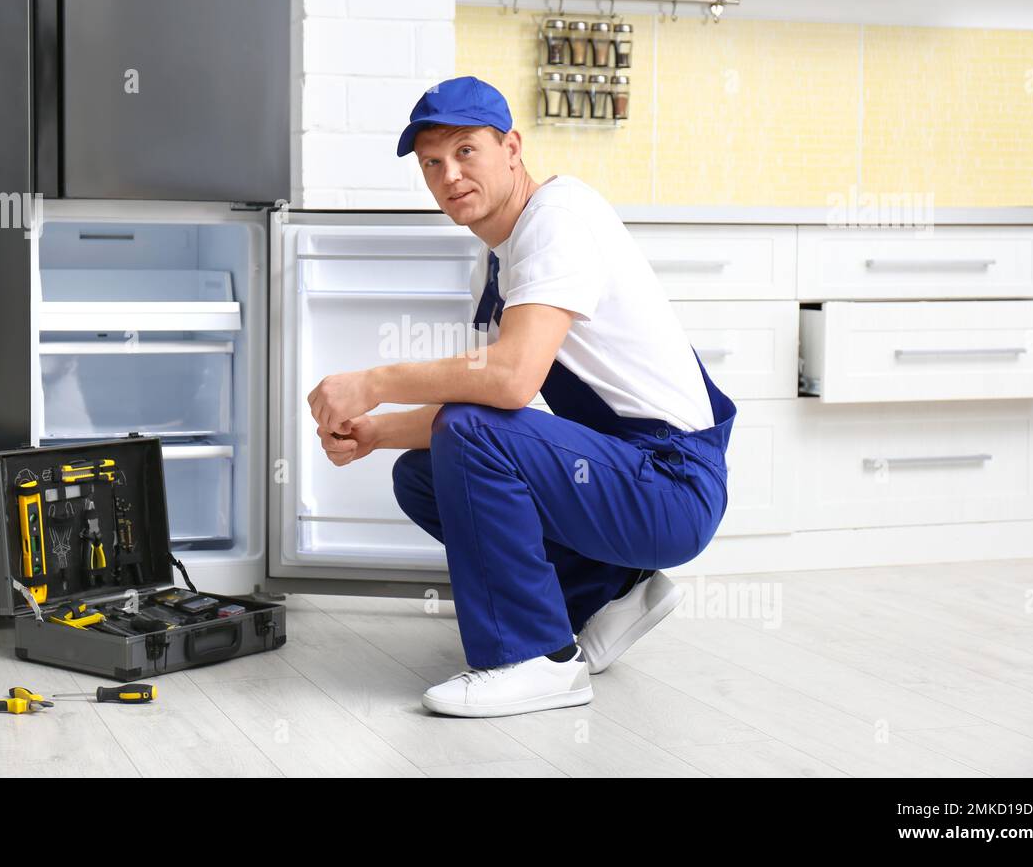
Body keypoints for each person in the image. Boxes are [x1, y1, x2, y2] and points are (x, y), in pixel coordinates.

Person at [306, 75, 737, 718]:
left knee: (468, 437)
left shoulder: (557, 220)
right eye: (432, 163)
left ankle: (534, 659)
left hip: (670, 484)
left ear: (512, 147)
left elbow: (507, 383)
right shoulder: (500, 260)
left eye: (465, 151)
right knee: (423, 476)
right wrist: (375, 430)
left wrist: (372, 383)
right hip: (627, 474)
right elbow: (504, 416)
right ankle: (608, 592)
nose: (448, 174)